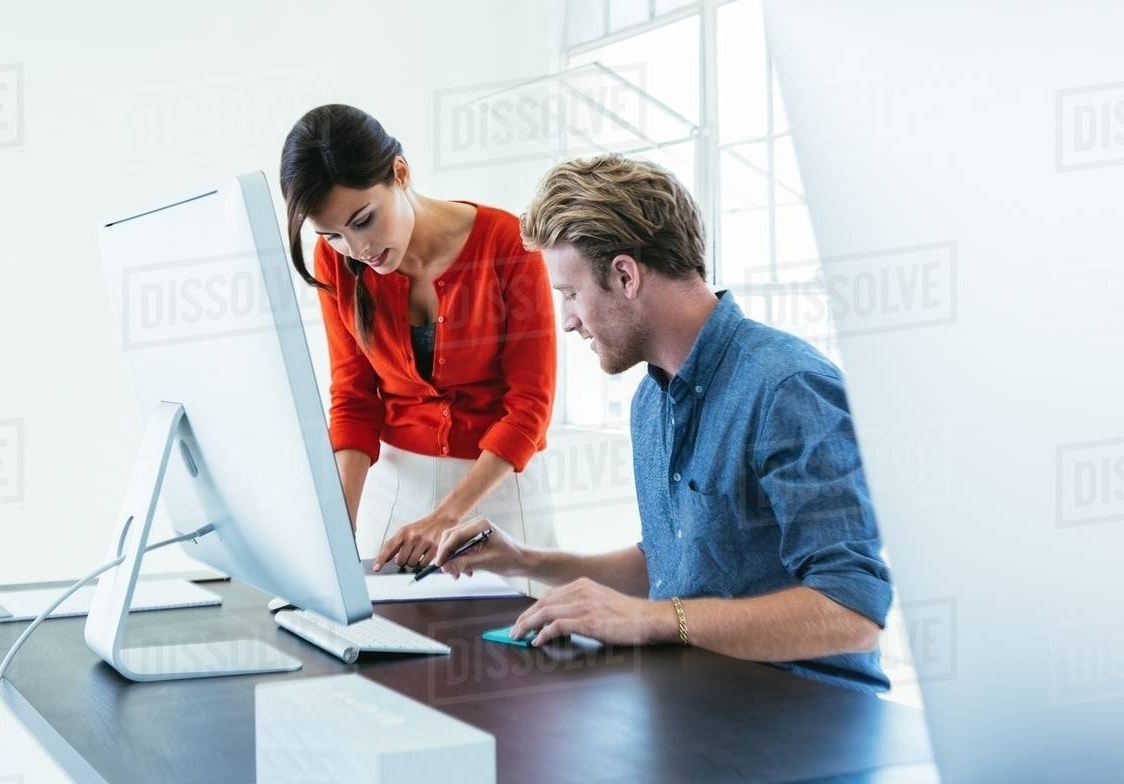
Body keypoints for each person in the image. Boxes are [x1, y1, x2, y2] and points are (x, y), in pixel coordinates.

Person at [436, 154, 894, 693]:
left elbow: (853, 612)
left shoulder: (787, 389)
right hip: (700, 699)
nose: (567, 320)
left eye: (570, 293)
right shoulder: (650, 402)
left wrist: (653, 620)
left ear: (625, 275)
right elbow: (673, 563)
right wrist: (525, 560)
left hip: (807, 716)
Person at [280, 105, 558, 585]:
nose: (356, 249)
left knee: (513, 654)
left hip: (498, 491)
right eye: (332, 235)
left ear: (400, 174)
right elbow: (353, 399)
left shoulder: (508, 244)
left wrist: (447, 516)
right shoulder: (337, 261)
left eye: (363, 220)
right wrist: (336, 529)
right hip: (393, 491)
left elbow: (530, 408)